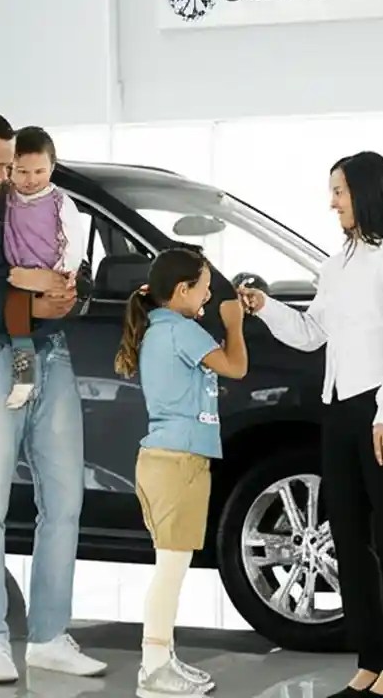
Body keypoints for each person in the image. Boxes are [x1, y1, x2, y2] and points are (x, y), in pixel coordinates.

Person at [239, 151, 383, 698]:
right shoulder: (339, 260)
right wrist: (266, 307)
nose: (332, 202)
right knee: (349, 539)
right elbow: (311, 333)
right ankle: (369, 661)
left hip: (381, 411)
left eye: (339, 192)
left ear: (365, 191)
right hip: (340, 410)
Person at [0, 108, 107, 684]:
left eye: (14, 165)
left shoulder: (26, 194)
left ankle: (50, 635)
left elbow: (63, 259)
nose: (8, 176)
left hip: (51, 353)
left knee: (64, 499)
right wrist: (31, 304)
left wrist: (70, 293)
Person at [115, 248, 247, 698]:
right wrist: (234, 325)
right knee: (171, 567)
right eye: (205, 290)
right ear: (182, 291)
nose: (209, 298)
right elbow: (236, 366)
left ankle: (163, 657)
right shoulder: (181, 330)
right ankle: (153, 668)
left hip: (170, 461)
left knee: (172, 564)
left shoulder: (163, 328)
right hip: (177, 462)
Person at [2, 126, 86, 409]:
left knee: (42, 330)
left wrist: (60, 277)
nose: (31, 180)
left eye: (39, 171)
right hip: (16, 278)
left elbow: (74, 241)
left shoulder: (59, 202)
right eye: (22, 171)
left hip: (51, 276)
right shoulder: (7, 198)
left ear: (52, 167)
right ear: (10, 169)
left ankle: (36, 382)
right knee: (18, 327)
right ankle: (24, 379)